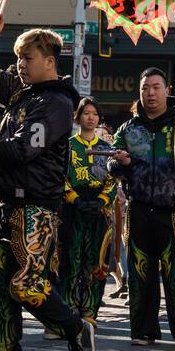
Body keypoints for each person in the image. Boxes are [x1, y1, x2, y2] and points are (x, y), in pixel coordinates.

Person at [0, 7, 95, 351]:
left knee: (26, 284)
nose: (19, 66)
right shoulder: (21, 93)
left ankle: (75, 328)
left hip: (36, 206)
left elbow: (23, 149)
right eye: (17, 58)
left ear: (49, 61)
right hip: (2, 203)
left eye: (27, 58)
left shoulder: (57, 104)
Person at [108, 68, 175, 345]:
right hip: (138, 210)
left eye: (155, 87)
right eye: (145, 88)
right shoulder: (129, 128)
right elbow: (111, 165)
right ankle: (143, 330)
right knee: (140, 274)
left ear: (166, 90)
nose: (150, 93)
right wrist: (122, 163)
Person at [59, 97, 117, 325]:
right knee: (70, 261)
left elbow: (114, 180)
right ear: (78, 117)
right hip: (73, 209)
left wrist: (101, 201)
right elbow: (60, 177)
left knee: (97, 262)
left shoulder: (107, 149)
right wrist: (75, 199)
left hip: (99, 211)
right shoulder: (68, 146)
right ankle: (69, 312)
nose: (91, 117)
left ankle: (90, 311)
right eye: (86, 113)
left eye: (94, 113)